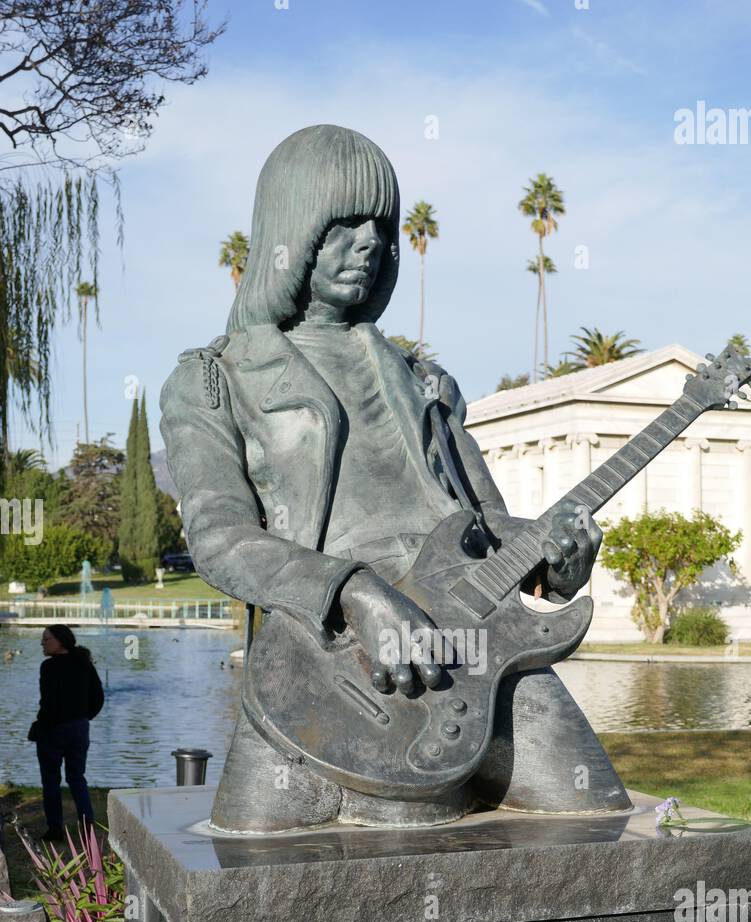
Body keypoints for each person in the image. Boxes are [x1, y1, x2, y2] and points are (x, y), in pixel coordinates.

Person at [160, 124, 630, 833]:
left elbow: (490, 530)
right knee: (252, 869)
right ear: (292, 232)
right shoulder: (213, 379)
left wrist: (557, 564)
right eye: (342, 226)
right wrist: (352, 591)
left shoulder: (425, 381)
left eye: (380, 227)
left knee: (594, 819)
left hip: (472, 647)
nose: (369, 244)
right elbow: (220, 538)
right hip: (321, 661)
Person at [28, 625, 104, 841]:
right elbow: (98, 697)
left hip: (54, 730)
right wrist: (83, 717)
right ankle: (87, 824)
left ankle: (55, 829)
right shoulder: (83, 662)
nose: (42, 643)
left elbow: (48, 703)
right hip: (80, 729)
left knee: (51, 780)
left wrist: (39, 727)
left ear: (60, 640)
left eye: (46, 639)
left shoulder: (49, 667)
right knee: (77, 777)